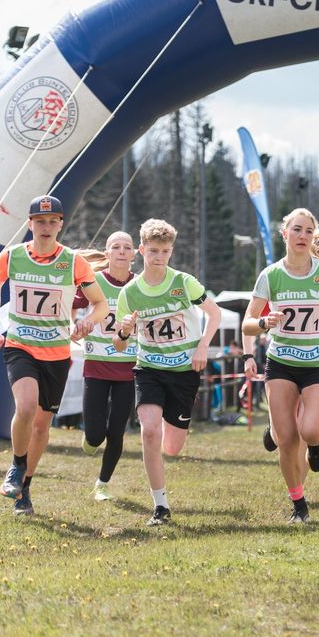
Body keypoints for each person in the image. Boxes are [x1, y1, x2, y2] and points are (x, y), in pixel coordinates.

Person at [0, 195, 107, 516]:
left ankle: (24, 487)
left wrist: (87, 322)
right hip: (21, 345)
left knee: (41, 425)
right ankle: (15, 466)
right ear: (30, 225)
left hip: (56, 353)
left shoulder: (73, 262)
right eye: (40, 222)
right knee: (25, 406)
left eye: (53, 222)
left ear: (61, 225)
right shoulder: (12, 257)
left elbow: (101, 304)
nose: (47, 227)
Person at [242, 209, 319, 524]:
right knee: (287, 439)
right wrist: (264, 322)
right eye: (297, 230)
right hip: (281, 364)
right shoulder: (270, 275)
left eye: (309, 231)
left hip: (318, 365)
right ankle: (299, 504)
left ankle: (316, 443)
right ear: (285, 234)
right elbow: (247, 324)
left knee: (310, 431)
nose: (303, 236)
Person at [111, 219, 221, 526]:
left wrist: (202, 347)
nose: (159, 257)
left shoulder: (184, 283)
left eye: (166, 251)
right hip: (149, 368)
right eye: (154, 251)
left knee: (172, 447)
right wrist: (125, 331)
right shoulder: (130, 293)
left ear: (171, 252)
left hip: (184, 370)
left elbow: (214, 313)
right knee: (149, 431)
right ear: (142, 250)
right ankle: (160, 506)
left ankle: (159, 447)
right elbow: (119, 345)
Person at [73, 232, 138, 501]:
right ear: (107, 254)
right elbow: (70, 307)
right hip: (97, 365)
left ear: (134, 255)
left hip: (129, 367)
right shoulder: (94, 281)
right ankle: (90, 440)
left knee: (116, 430)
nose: (121, 251)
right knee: (96, 434)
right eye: (116, 247)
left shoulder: (142, 285)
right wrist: (75, 327)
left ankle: (103, 483)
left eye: (127, 248)